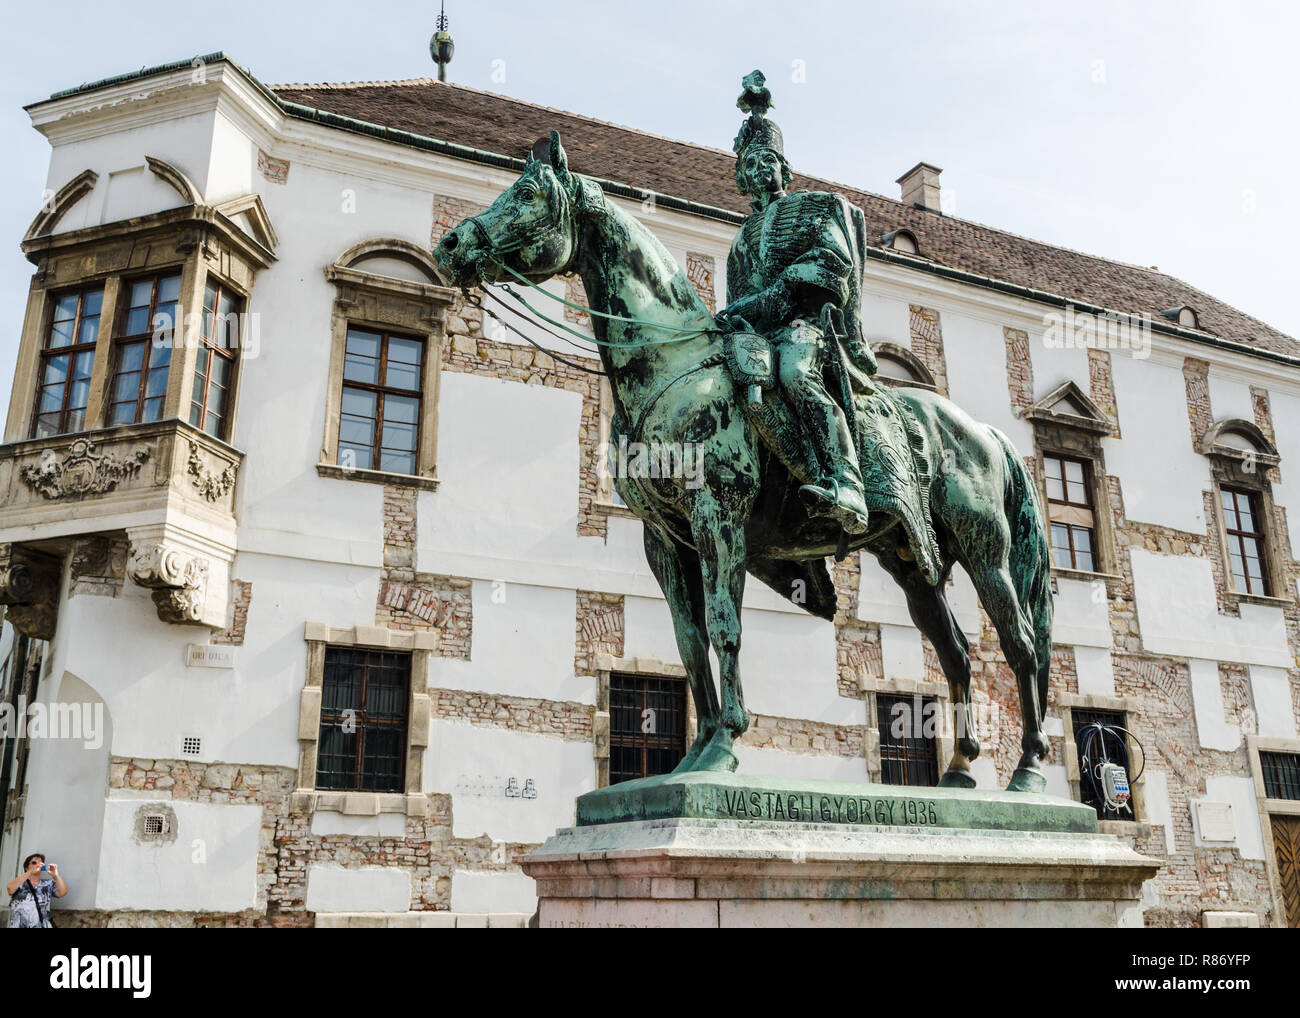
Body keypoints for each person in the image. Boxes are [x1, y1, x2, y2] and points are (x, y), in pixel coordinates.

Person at [715, 70, 878, 535]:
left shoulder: (815, 207)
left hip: (806, 326)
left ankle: (846, 484)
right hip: (759, 336)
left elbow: (832, 263)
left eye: (767, 161)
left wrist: (776, 295)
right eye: (749, 165)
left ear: (783, 169)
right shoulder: (741, 240)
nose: (758, 170)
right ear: (742, 178)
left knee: (794, 374)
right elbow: (738, 301)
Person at [7, 853, 67, 928]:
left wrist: (56, 875)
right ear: (26, 867)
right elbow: (10, 889)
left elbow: (63, 892)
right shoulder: (19, 883)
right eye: (34, 862)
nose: (38, 865)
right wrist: (30, 871)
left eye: (40, 863)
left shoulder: (48, 884)